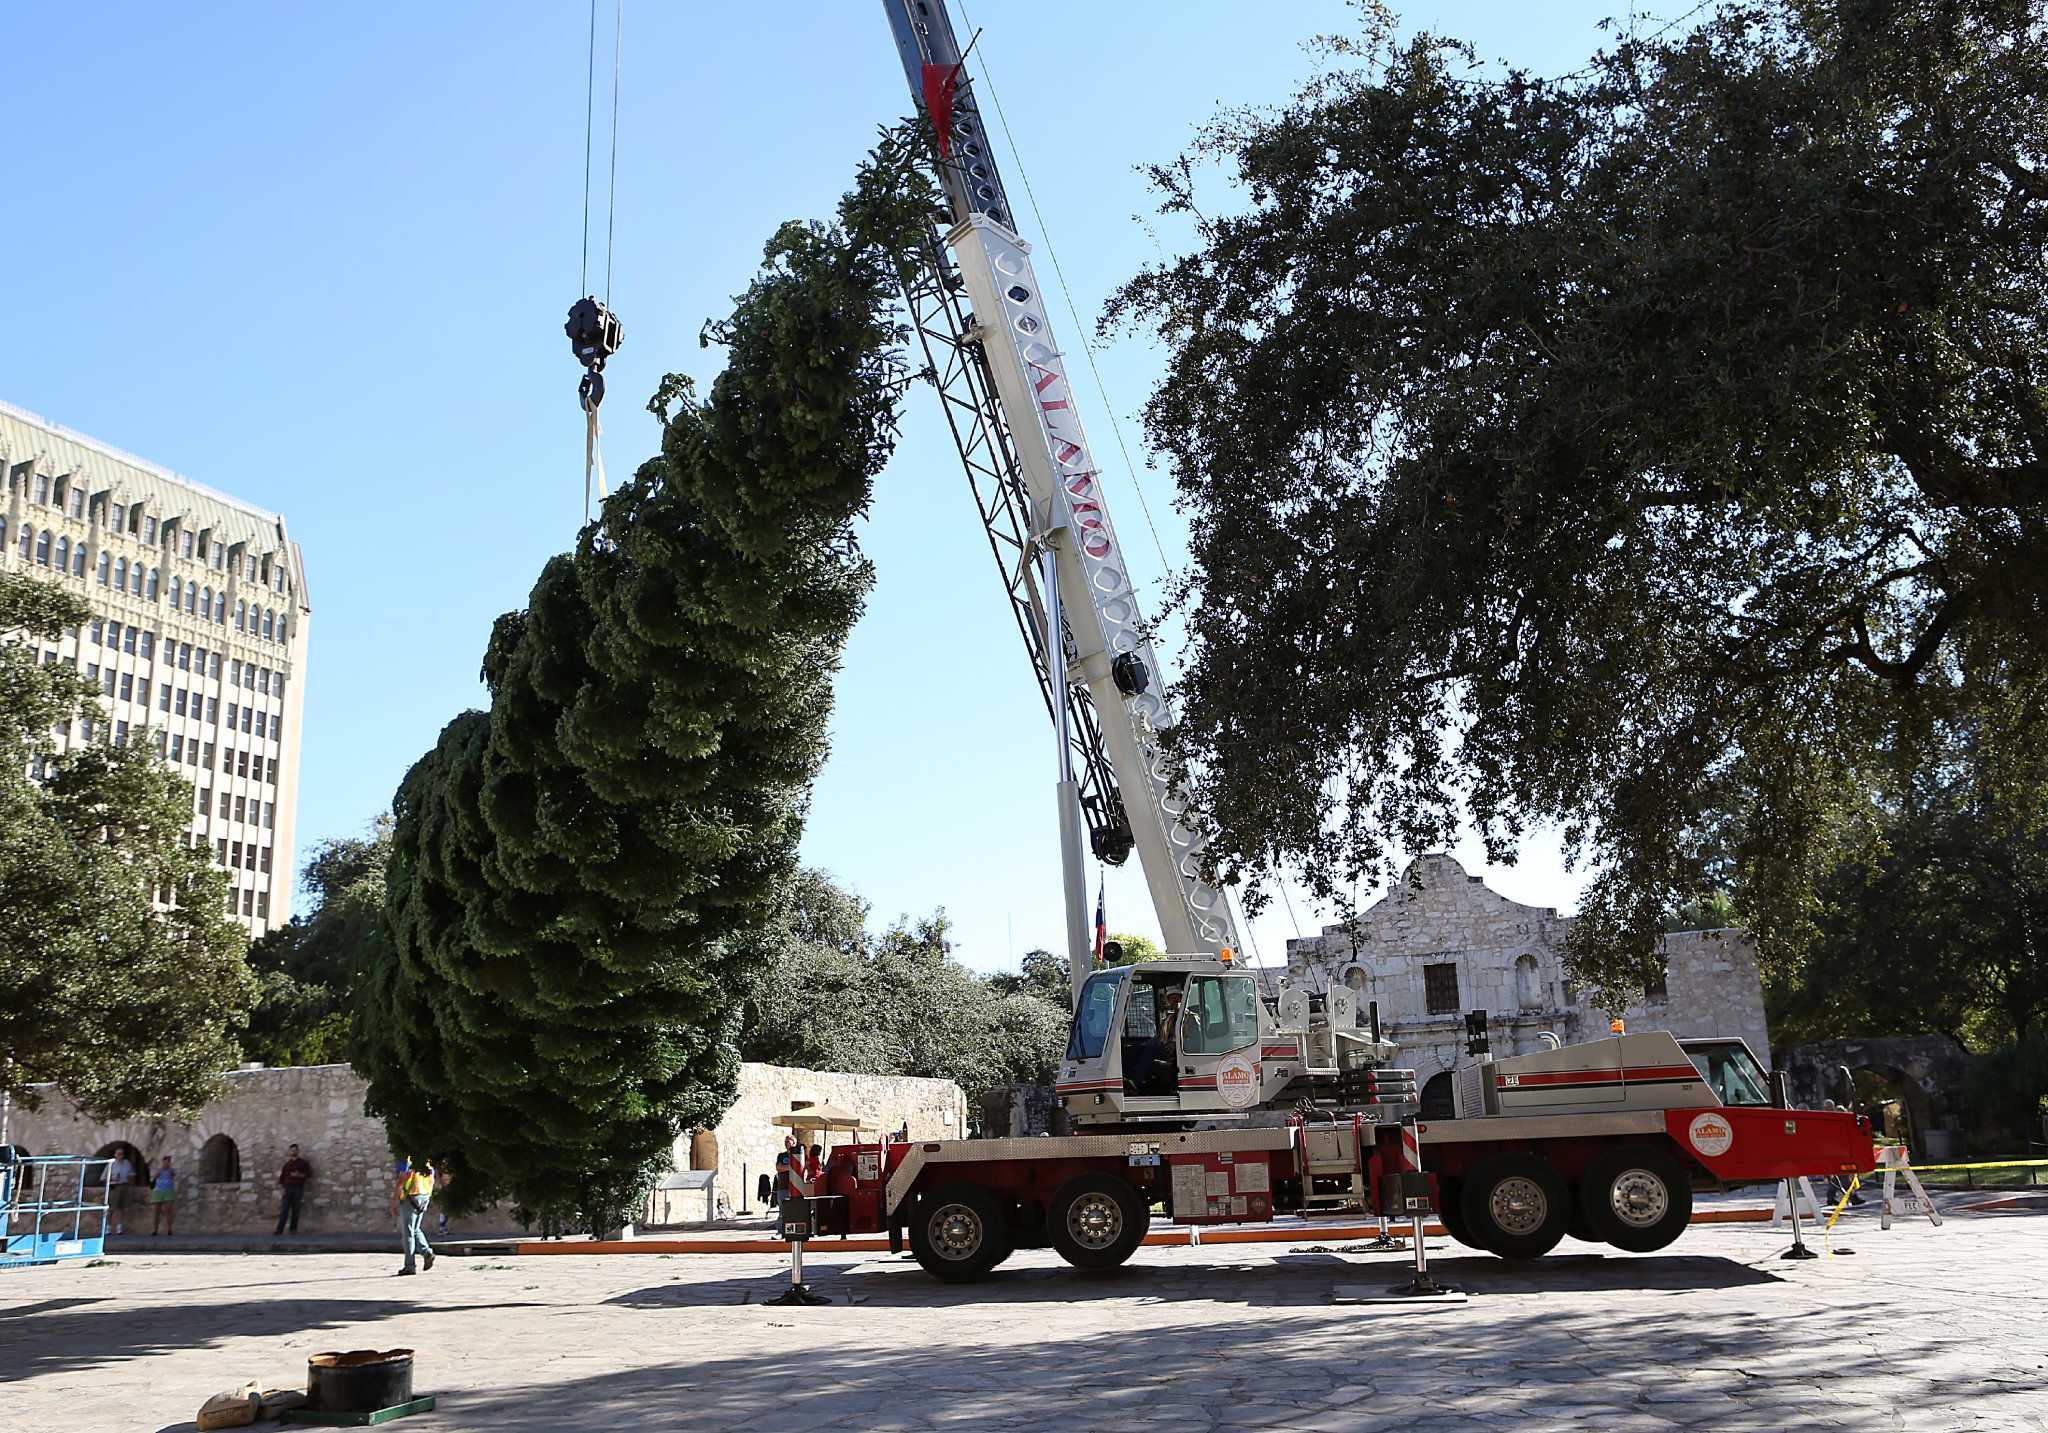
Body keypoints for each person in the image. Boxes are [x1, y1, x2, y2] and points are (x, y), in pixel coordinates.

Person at [390, 1157, 436, 1275]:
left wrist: (394, 1201)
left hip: (410, 1196)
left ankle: (409, 1265)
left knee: (408, 1232)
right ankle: (426, 1253)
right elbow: (432, 1178)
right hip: (424, 1195)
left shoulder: (406, 1158)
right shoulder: (426, 1158)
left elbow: (402, 1179)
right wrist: (428, 1197)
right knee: (415, 1229)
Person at [274, 1143, 312, 1235]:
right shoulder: (287, 1164)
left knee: (296, 1210)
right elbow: (282, 1178)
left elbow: (309, 1175)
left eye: (295, 1150)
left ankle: (293, 1229)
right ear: (289, 1152)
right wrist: (282, 1189)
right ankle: (279, 1230)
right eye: (292, 1150)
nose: (293, 1152)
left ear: (298, 1151)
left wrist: (299, 1175)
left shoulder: (303, 1163)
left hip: (298, 1188)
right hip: (287, 1188)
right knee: (284, 1210)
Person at [106, 1148, 137, 1235]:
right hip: (114, 1187)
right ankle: (108, 1227)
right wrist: (113, 1178)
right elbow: (104, 1178)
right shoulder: (111, 1164)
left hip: (124, 1186)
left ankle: (119, 1228)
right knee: (111, 1208)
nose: (120, 1155)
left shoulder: (127, 1163)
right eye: (118, 1154)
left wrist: (130, 1178)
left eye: (121, 1154)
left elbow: (132, 1174)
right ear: (115, 1155)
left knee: (121, 1208)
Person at [148, 1156, 178, 1235]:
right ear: (163, 1161)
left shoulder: (172, 1170)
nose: (168, 1163)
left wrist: (168, 1170)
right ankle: (155, 1230)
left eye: (169, 1161)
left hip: (168, 1191)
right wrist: (160, 1171)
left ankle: (169, 1229)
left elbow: (173, 1176)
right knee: (156, 1211)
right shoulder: (158, 1169)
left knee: (168, 1210)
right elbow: (154, 1177)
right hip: (158, 1191)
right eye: (166, 1161)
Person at [771, 1152, 792, 1239]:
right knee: (782, 1211)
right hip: (783, 1187)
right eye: (786, 1143)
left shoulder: (801, 1152)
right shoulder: (782, 1155)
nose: (787, 1145)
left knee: (796, 1211)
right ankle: (780, 1232)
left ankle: (792, 1232)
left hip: (796, 1187)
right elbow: (779, 1168)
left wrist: (786, 1167)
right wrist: (793, 1167)